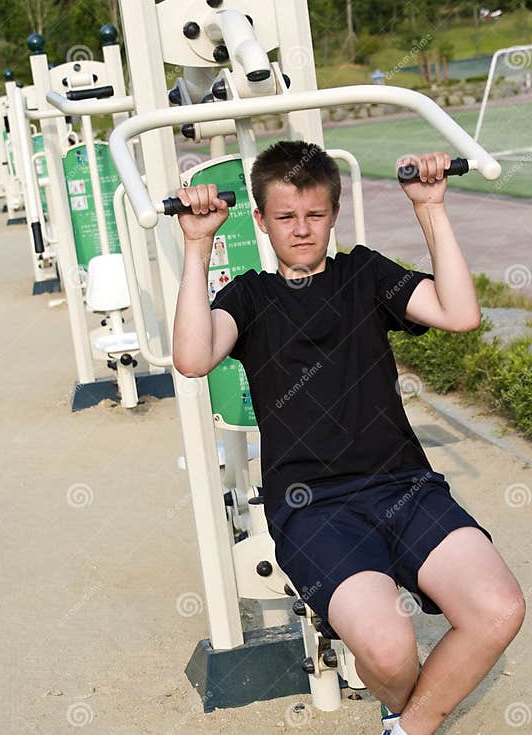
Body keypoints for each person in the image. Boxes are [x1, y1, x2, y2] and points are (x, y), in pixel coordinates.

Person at [172, 141, 525, 735]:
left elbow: (461, 313)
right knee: (389, 654)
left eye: (314, 215)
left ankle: (406, 727)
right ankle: (407, 708)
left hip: (406, 486)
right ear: (260, 219)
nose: (302, 230)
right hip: (315, 507)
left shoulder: (364, 273)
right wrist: (197, 244)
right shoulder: (250, 298)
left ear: (333, 213)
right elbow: (190, 357)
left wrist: (431, 207)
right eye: (285, 217)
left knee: (499, 610)